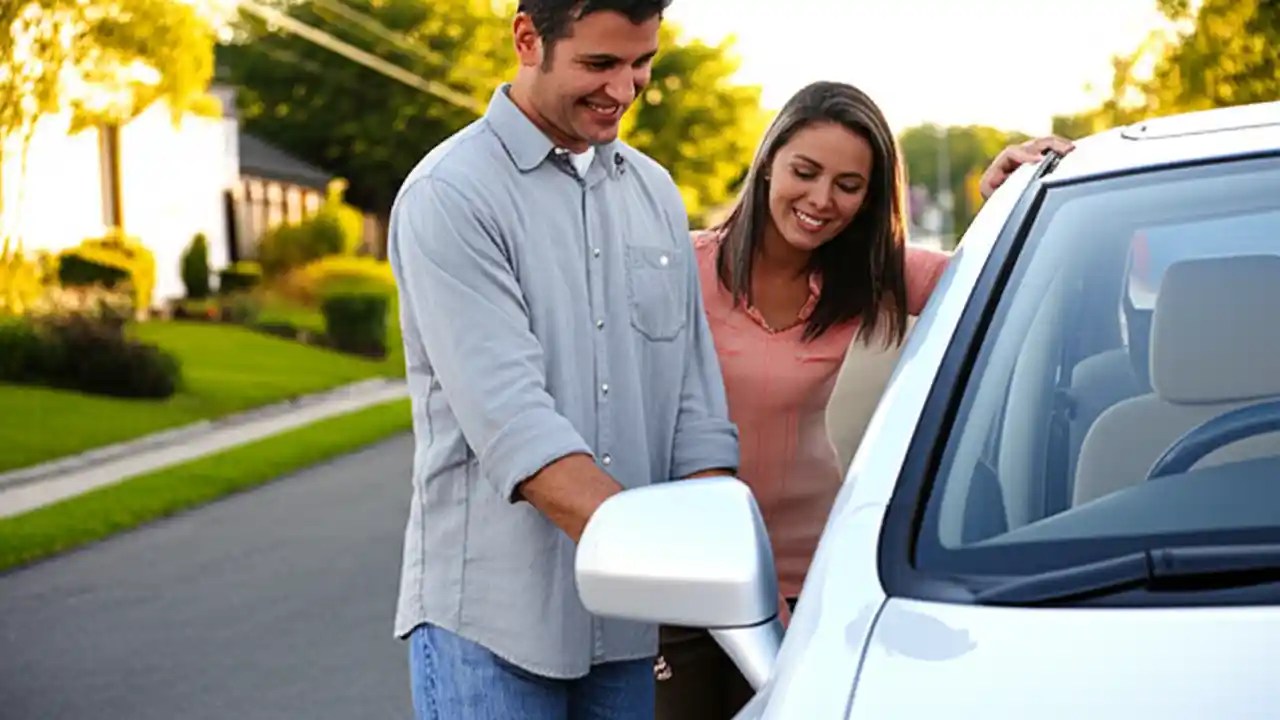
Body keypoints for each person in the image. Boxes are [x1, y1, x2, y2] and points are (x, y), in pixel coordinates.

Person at [654, 80, 1074, 719]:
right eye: (805, 171)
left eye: (849, 186)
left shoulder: (869, 273)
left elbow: (999, 282)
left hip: (812, 581)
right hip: (685, 577)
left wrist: (1005, 199)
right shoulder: (680, 266)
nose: (822, 200)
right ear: (768, 163)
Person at [384, 1, 739, 718]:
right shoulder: (450, 196)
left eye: (642, 64)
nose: (625, 89)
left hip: (626, 632)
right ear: (527, 39)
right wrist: (668, 559)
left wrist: (725, 567)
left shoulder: (655, 192)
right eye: (599, 64)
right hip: (491, 628)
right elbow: (519, 431)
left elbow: (694, 411)